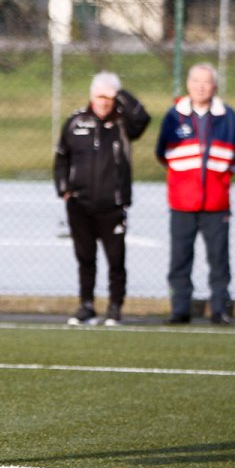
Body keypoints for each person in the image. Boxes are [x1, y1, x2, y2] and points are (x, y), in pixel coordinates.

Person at [54, 72, 150, 326]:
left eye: (109, 96)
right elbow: (61, 157)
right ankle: (86, 305)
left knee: (115, 259)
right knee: (85, 257)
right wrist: (64, 188)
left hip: (112, 205)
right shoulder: (76, 121)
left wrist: (121, 95)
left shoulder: (123, 125)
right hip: (80, 204)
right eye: (99, 96)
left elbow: (143, 117)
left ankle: (115, 307)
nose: (103, 102)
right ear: (91, 96)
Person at [154, 63, 235, 325]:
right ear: (188, 84)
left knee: (219, 260)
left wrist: (219, 181)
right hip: (182, 203)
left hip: (216, 203)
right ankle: (180, 309)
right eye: (196, 81)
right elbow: (163, 154)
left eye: (206, 82)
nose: (200, 87)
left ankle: (219, 308)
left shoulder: (227, 116)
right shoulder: (174, 116)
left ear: (214, 86)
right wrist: (184, 181)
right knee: (180, 259)